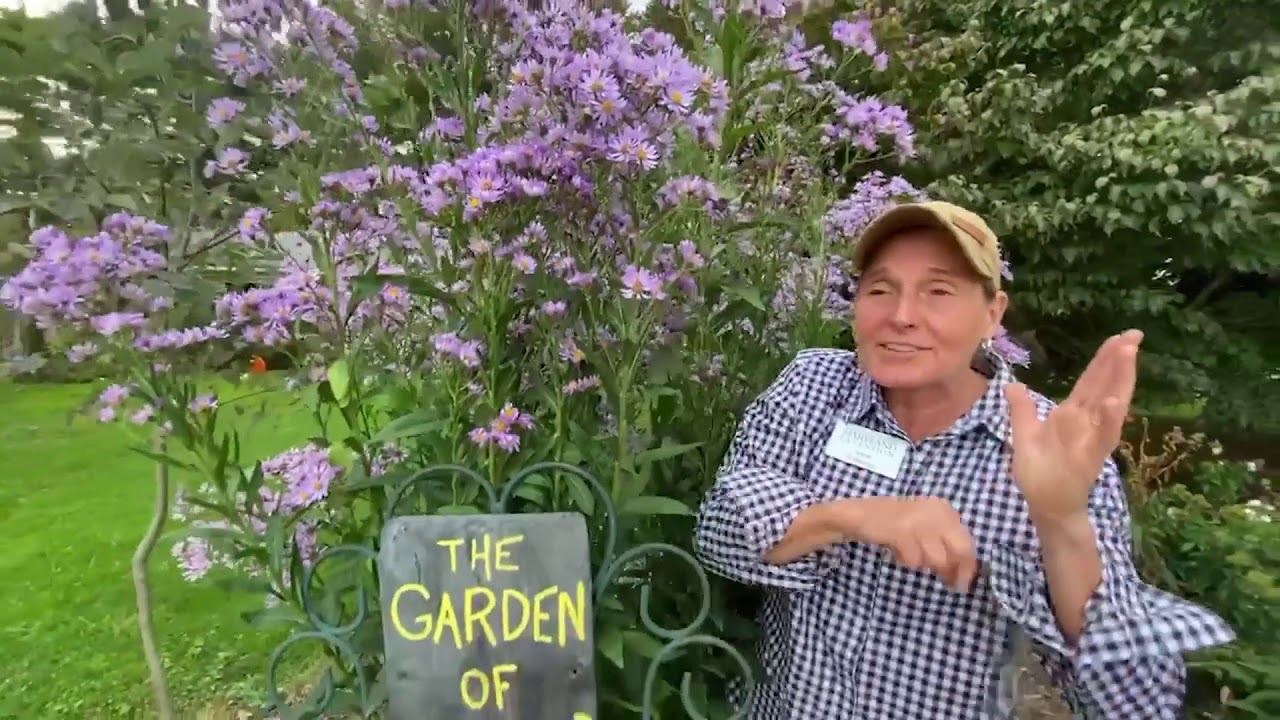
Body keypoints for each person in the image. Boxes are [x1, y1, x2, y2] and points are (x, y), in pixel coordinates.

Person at [693, 201, 1236, 719]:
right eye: (880, 288)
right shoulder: (814, 384)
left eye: (938, 291)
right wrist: (854, 516)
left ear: (992, 314)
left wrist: (1062, 522)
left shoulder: (1052, 447)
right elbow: (719, 529)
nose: (902, 316)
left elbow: (1132, 704)